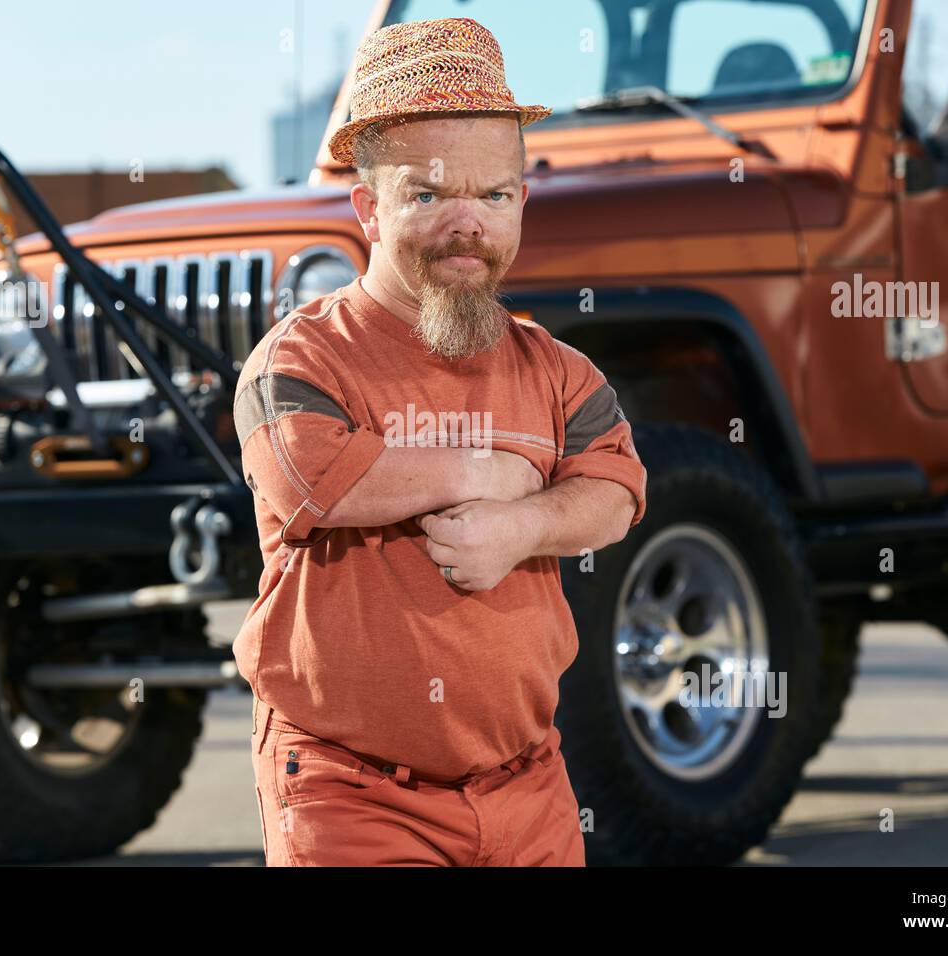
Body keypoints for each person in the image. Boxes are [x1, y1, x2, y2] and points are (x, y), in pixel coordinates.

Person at [233, 16, 647, 866]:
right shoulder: (300, 359)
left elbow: (618, 489)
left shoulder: (557, 369)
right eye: (428, 195)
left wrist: (523, 527)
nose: (469, 225)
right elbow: (316, 482)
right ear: (368, 210)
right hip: (352, 795)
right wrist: (486, 470)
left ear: (521, 204)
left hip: (529, 786)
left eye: (494, 195)